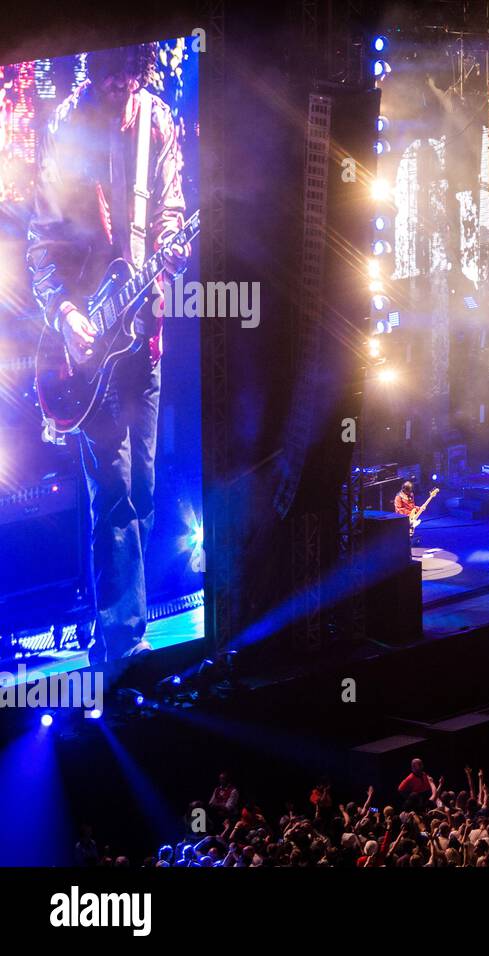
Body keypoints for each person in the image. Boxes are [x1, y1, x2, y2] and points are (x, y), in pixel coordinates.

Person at [27, 42, 191, 665]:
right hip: (85, 348)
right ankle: (123, 643)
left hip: (141, 334)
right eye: (111, 81)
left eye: (131, 79)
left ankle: (122, 627)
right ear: (94, 77)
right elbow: (43, 247)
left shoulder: (158, 123)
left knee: (143, 487)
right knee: (114, 489)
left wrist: (172, 247)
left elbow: (172, 207)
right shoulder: (68, 131)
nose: (122, 93)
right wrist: (66, 315)